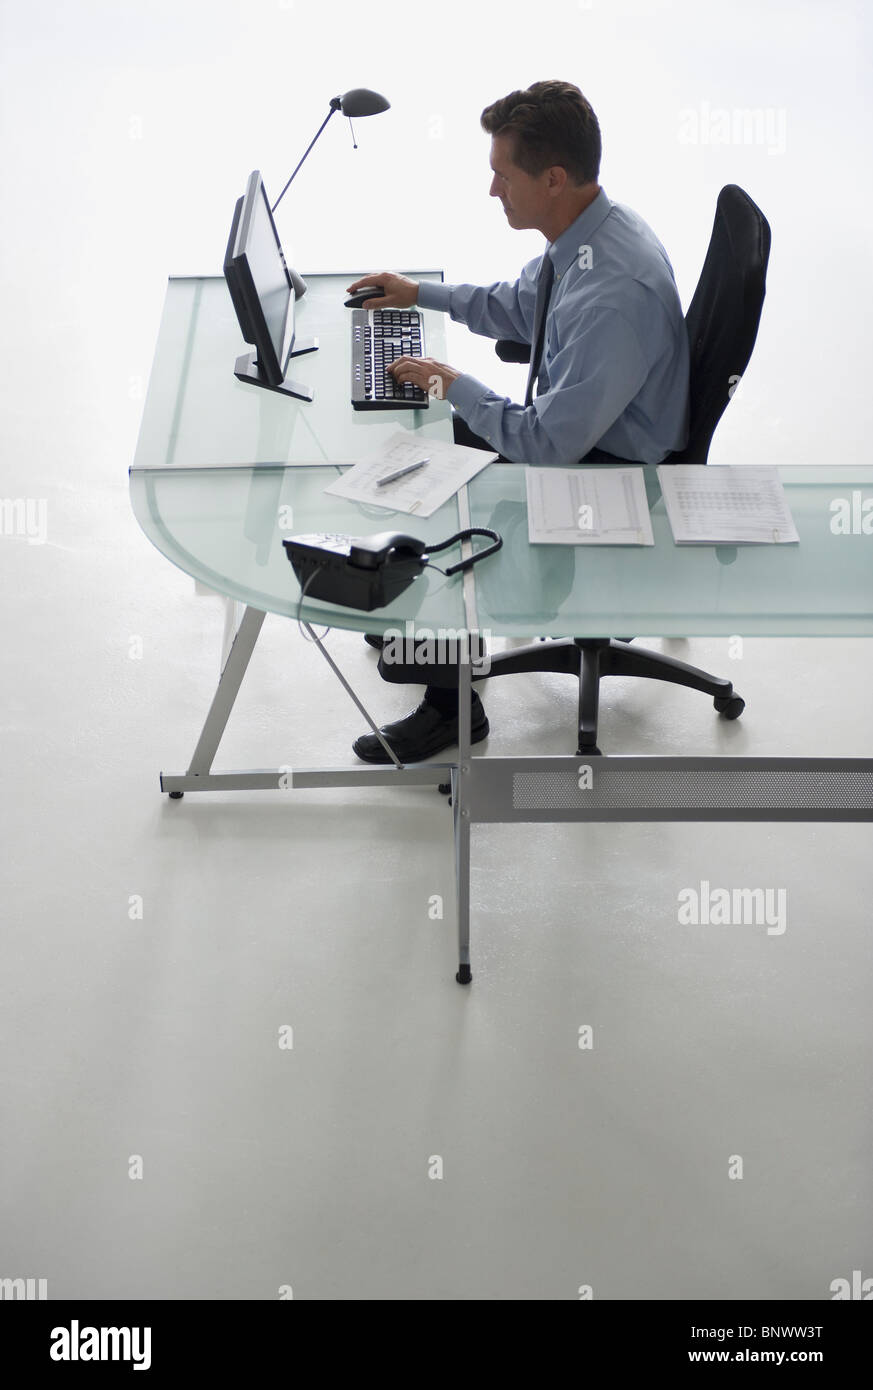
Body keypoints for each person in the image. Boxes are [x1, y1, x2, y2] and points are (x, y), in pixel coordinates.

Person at [346, 79, 690, 764]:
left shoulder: (612, 294)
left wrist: (451, 384)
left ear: (553, 177)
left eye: (503, 175)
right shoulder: (588, 235)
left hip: (605, 472)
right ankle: (418, 621)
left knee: (439, 488)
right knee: (425, 441)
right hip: (581, 435)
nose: (493, 191)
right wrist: (422, 295)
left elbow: (548, 445)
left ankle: (451, 705)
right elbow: (516, 307)